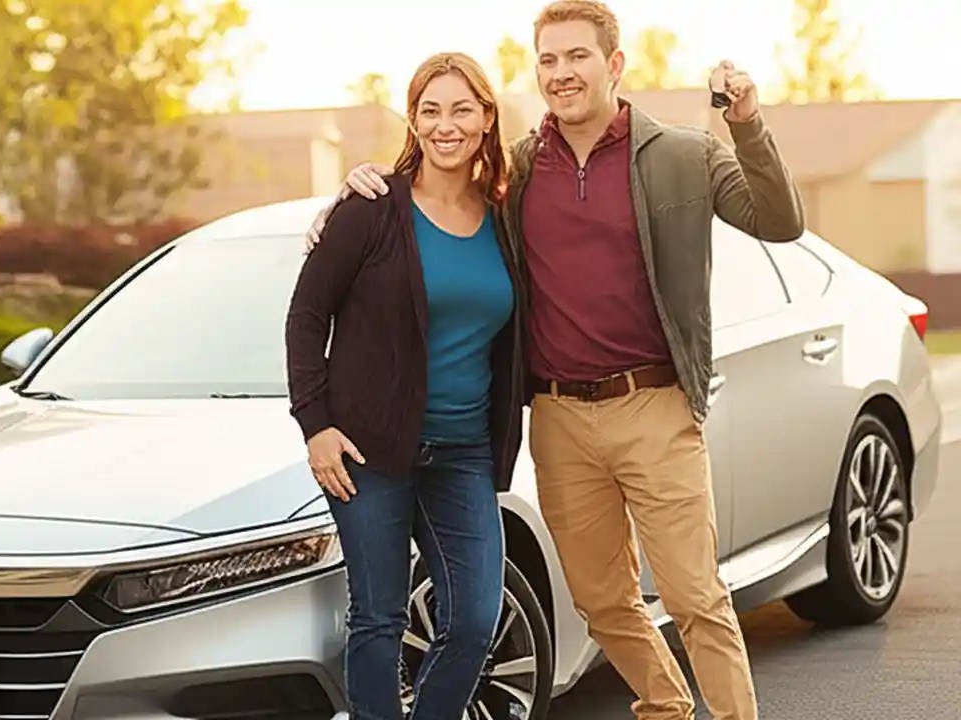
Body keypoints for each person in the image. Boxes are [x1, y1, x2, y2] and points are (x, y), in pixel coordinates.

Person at [305, 2, 807, 719]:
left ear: (615, 64)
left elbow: (779, 220)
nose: (562, 73)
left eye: (577, 57)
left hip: (654, 406)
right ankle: (666, 708)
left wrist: (747, 120)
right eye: (548, 60)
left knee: (695, 596)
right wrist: (353, 195)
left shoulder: (681, 154)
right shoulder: (516, 172)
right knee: (602, 600)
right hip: (560, 419)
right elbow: (433, 201)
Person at [285, 51, 528, 720]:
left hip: (463, 453)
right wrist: (316, 426)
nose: (445, 125)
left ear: (485, 119)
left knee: (476, 618)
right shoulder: (373, 207)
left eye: (460, 109)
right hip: (369, 450)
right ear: (413, 121)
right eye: (430, 110)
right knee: (379, 619)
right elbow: (307, 317)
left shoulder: (505, 216)